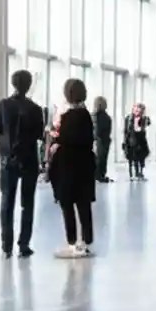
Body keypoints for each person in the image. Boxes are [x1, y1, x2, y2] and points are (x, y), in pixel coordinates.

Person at [0, 70, 44, 258]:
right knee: (27, 202)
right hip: (29, 158)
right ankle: (24, 244)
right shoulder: (36, 109)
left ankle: (6, 245)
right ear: (29, 85)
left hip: (8, 158)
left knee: (7, 201)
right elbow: (39, 135)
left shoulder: (1, 106)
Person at [48, 79, 97, 258]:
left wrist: (55, 137)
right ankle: (85, 241)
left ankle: (72, 241)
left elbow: (66, 140)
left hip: (68, 165)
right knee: (83, 204)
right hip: (84, 165)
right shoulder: (86, 116)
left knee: (67, 204)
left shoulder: (68, 116)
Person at [122, 104, 151, 181]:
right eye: (136, 110)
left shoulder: (144, 118)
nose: (138, 112)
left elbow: (148, 123)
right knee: (133, 156)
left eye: (140, 110)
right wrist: (125, 141)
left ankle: (140, 172)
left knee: (141, 156)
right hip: (132, 140)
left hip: (141, 140)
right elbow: (126, 131)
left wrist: (143, 119)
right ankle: (134, 173)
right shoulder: (128, 118)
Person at [92, 97, 114, 184]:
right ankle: (100, 175)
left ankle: (96, 175)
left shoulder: (93, 116)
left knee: (96, 158)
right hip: (103, 140)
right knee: (102, 159)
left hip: (96, 139)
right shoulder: (106, 117)